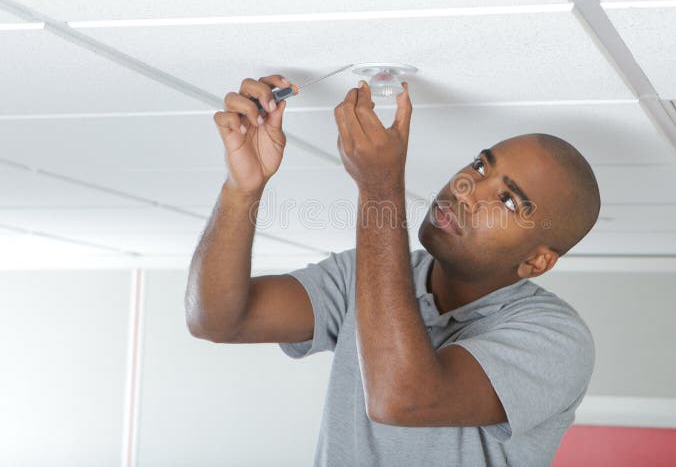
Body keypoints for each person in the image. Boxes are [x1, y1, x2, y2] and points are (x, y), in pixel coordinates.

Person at [185, 73, 600, 466]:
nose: (466, 190)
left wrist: (380, 188)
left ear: (536, 261)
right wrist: (243, 188)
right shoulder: (366, 274)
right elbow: (218, 320)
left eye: (508, 200)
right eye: (479, 166)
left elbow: (401, 399)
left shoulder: (556, 338)